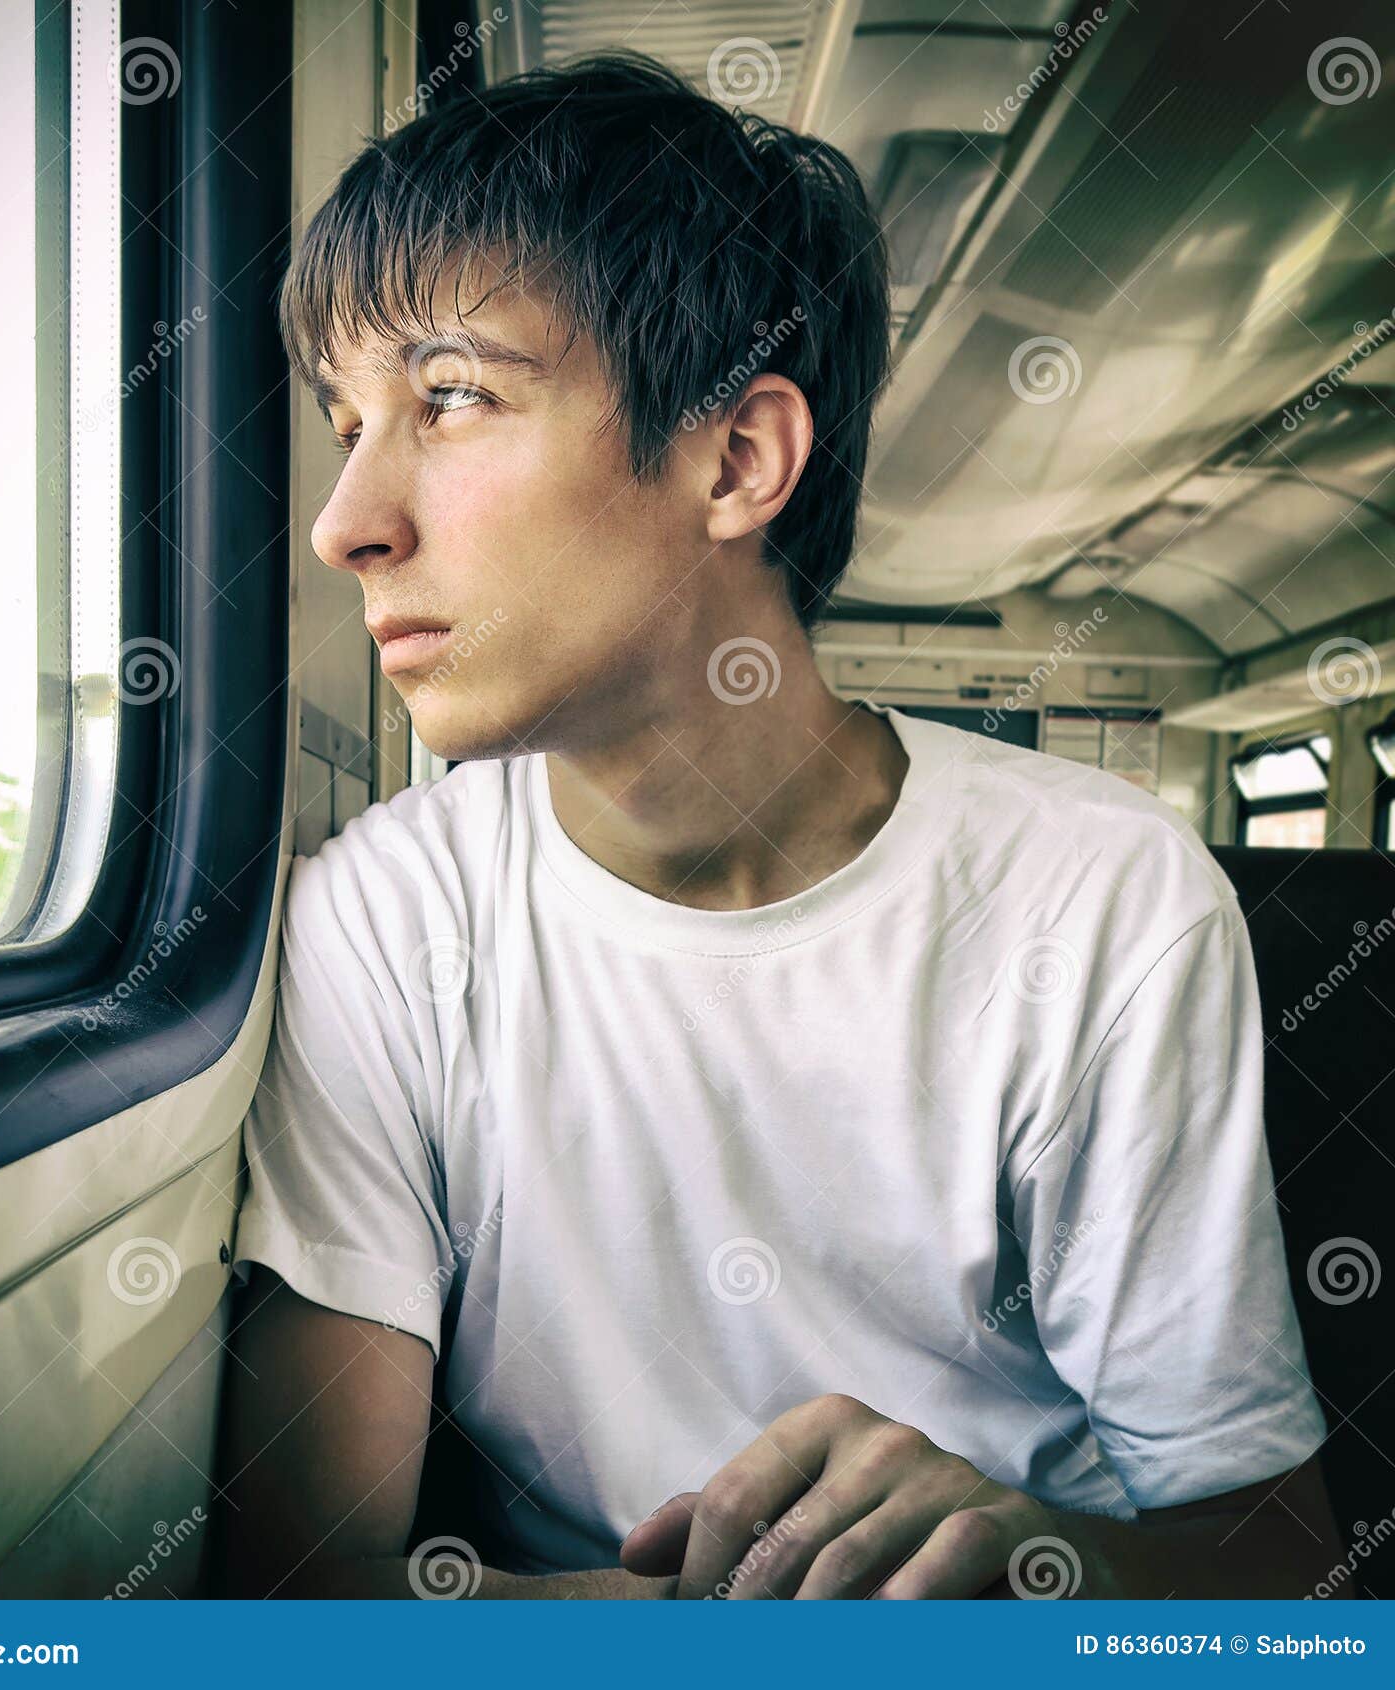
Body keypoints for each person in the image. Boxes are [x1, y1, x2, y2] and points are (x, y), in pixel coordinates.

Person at [215, 52, 1342, 1599]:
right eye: (349, 420)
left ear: (737, 458)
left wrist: (1031, 1571)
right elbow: (309, 1591)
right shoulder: (388, 922)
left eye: (453, 396)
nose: (347, 520)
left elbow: (1281, 1567)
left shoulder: (1101, 898)